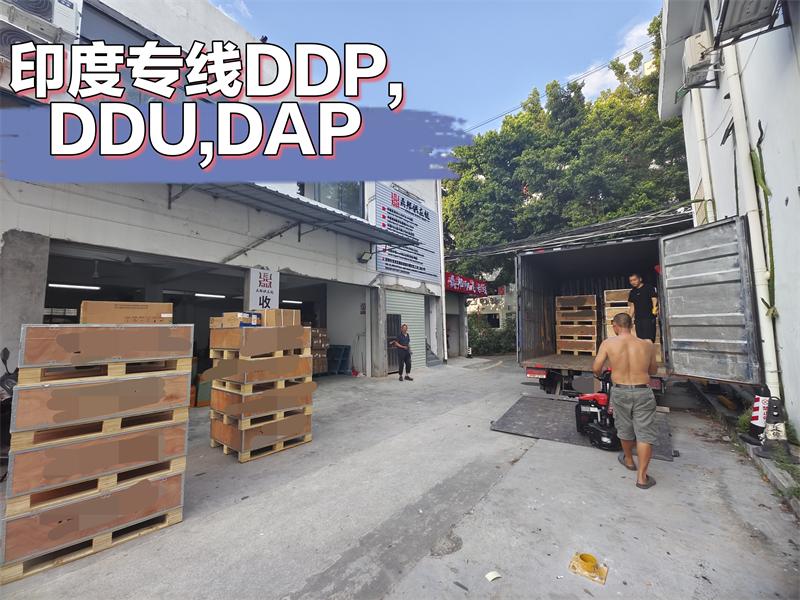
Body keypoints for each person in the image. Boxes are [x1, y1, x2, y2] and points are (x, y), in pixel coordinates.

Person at [593, 313, 659, 489]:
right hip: (642, 391)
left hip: (620, 391)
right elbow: (653, 370)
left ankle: (629, 460)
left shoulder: (608, 343)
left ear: (615, 326)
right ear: (631, 325)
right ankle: (642, 478)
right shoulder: (647, 344)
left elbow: (596, 368)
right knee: (645, 433)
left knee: (624, 427)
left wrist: (600, 374)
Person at [627, 273, 658, 342]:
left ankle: (649, 349)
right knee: (640, 339)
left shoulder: (648, 288)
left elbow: (654, 298)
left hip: (648, 318)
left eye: (634, 280)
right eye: (631, 281)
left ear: (640, 279)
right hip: (638, 319)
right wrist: (629, 318)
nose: (633, 282)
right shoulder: (632, 292)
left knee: (649, 339)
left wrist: (654, 308)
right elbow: (633, 306)